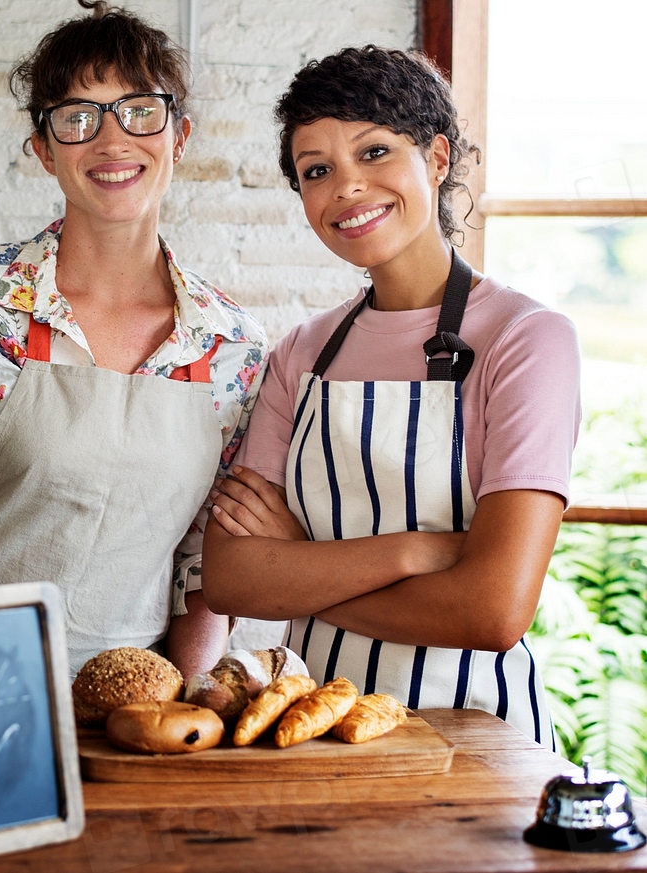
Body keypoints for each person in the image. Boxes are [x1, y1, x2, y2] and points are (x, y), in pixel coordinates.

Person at [0, 0, 267, 678]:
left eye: (139, 110)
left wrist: (192, 698)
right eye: (78, 117)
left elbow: (203, 561)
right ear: (44, 149)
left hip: (142, 699)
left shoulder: (233, 346)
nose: (112, 140)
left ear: (179, 136)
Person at [202, 46, 580, 747]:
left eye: (374, 152)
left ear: (436, 158)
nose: (347, 186)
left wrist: (304, 564)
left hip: (475, 739)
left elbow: (493, 611)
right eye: (317, 170)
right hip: (313, 732)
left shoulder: (527, 340)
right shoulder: (302, 352)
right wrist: (414, 552)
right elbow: (231, 579)